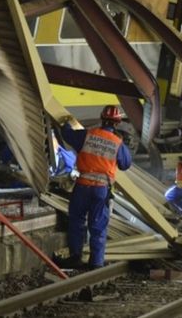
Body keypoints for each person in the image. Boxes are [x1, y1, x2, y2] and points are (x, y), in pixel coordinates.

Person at [59, 105, 131, 269]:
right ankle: (96, 263)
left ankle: (75, 257)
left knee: (76, 221)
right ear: (117, 123)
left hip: (82, 187)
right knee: (98, 226)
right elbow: (125, 164)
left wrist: (66, 123)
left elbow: (67, 134)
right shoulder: (117, 143)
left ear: (101, 119)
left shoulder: (87, 135)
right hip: (101, 189)